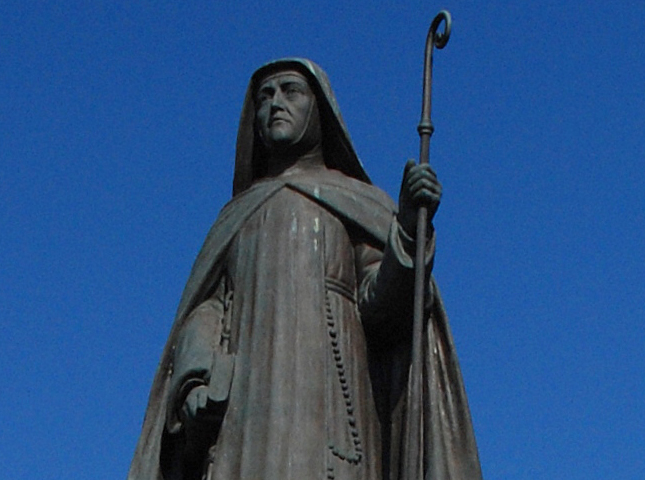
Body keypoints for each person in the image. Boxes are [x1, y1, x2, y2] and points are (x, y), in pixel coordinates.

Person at [128, 58, 482, 480]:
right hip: (246, 425)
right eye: (264, 96)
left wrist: (406, 230)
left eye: (290, 91)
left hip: (332, 418)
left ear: (320, 110)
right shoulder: (237, 217)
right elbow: (207, 311)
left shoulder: (356, 201)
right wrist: (194, 379)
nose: (275, 104)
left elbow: (385, 308)